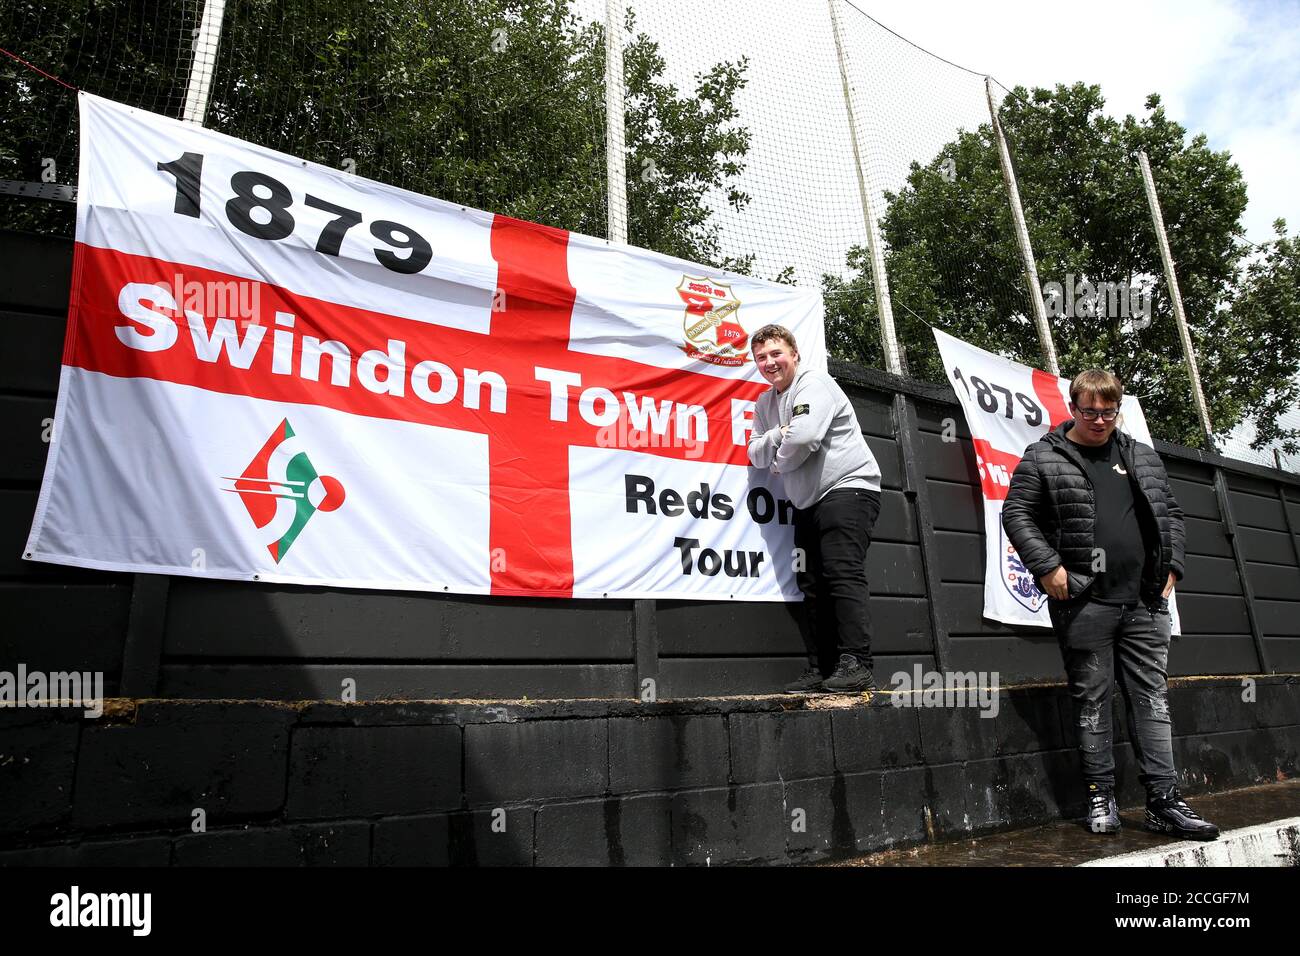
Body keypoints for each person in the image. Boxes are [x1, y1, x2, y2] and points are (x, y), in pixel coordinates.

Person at [1002, 369, 1218, 840]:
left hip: (1144, 603)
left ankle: (1165, 802)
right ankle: (1101, 797)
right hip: (1085, 601)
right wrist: (1047, 567)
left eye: (1107, 411)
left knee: (1152, 702)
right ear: (1072, 407)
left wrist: (1173, 566)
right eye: (1088, 411)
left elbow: (1172, 514)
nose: (1098, 420)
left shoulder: (1140, 455)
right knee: (1093, 703)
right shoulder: (1044, 455)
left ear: (1117, 408)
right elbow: (1016, 513)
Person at [746, 324, 883, 693]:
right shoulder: (764, 403)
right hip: (807, 502)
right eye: (762, 357)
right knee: (810, 582)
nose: (770, 362)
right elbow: (753, 452)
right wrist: (778, 435)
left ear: (794, 353)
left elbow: (804, 438)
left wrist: (778, 463)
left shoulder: (813, 383)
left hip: (847, 489)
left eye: (776, 353)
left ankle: (857, 663)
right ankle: (823, 668)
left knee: (841, 572)